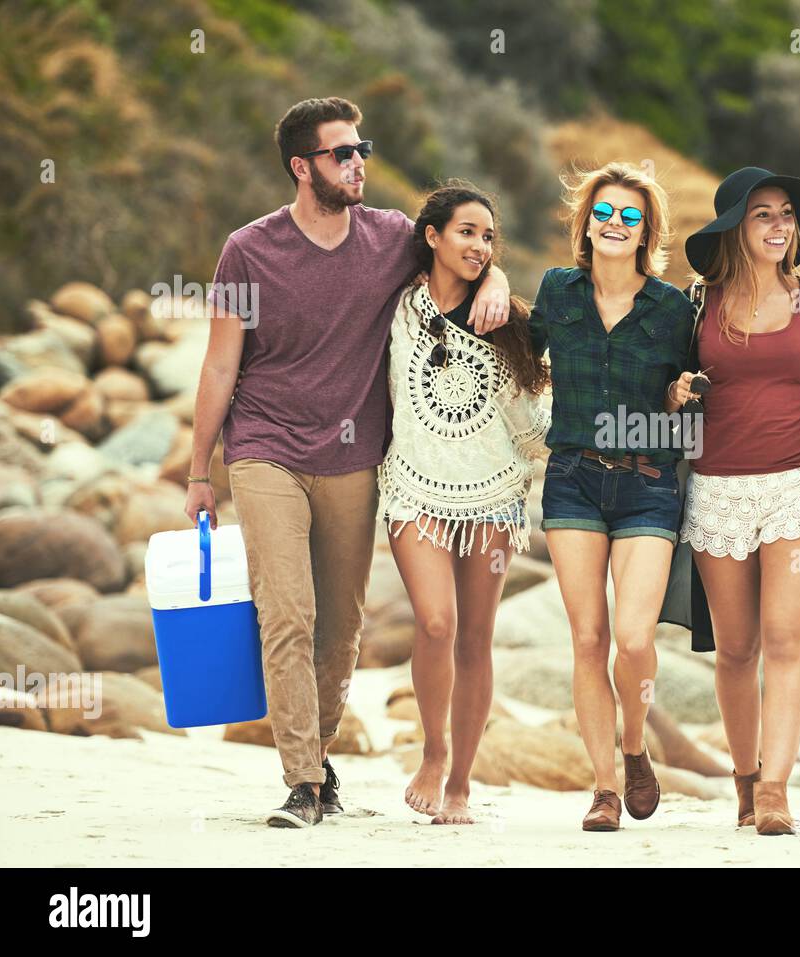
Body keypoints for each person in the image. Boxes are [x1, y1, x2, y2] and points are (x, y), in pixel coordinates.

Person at [184, 97, 512, 828]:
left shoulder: (392, 237)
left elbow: (462, 251)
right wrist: (199, 472)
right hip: (265, 447)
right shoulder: (248, 249)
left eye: (362, 149)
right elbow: (217, 366)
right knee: (288, 614)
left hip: (355, 456)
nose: (358, 162)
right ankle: (302, 780)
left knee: (340, 627)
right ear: (303, 167)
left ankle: (320, 760)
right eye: (342, 153)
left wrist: (496, 280)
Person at [658, 167, 800, 835]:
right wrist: (676, 392)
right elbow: (662, 384)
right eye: (762, 215)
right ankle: (744, 779)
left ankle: (775, 788)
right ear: (734, 230)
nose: (779, 226)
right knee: (737, 648)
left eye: (786, 215)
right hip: (717, 491)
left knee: (783, 641)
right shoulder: (695, 304)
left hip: (796, 487)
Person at [529, 162, 694, 832]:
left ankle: (634, 745)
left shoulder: (672, 306)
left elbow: (689, 384)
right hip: (572, 475)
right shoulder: (558, 291)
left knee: (632, 638)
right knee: (589, 636)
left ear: (646, 228)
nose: (615, 224)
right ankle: (603, 788)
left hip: (648, 483)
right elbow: (517, 351)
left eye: (629, 215)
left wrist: (682, 393)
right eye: (604, 212)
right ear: (586, 222)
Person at [379, 180, 549, 824]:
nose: (479, 246)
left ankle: (460, 783)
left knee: (476, 638)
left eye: (488, 237)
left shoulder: (510, 321)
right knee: (436, 623)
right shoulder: (396, 306)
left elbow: (533, 424)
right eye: (465, 233)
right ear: (432, 237)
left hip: (495, 495)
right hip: (413, 487)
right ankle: (432, 750)